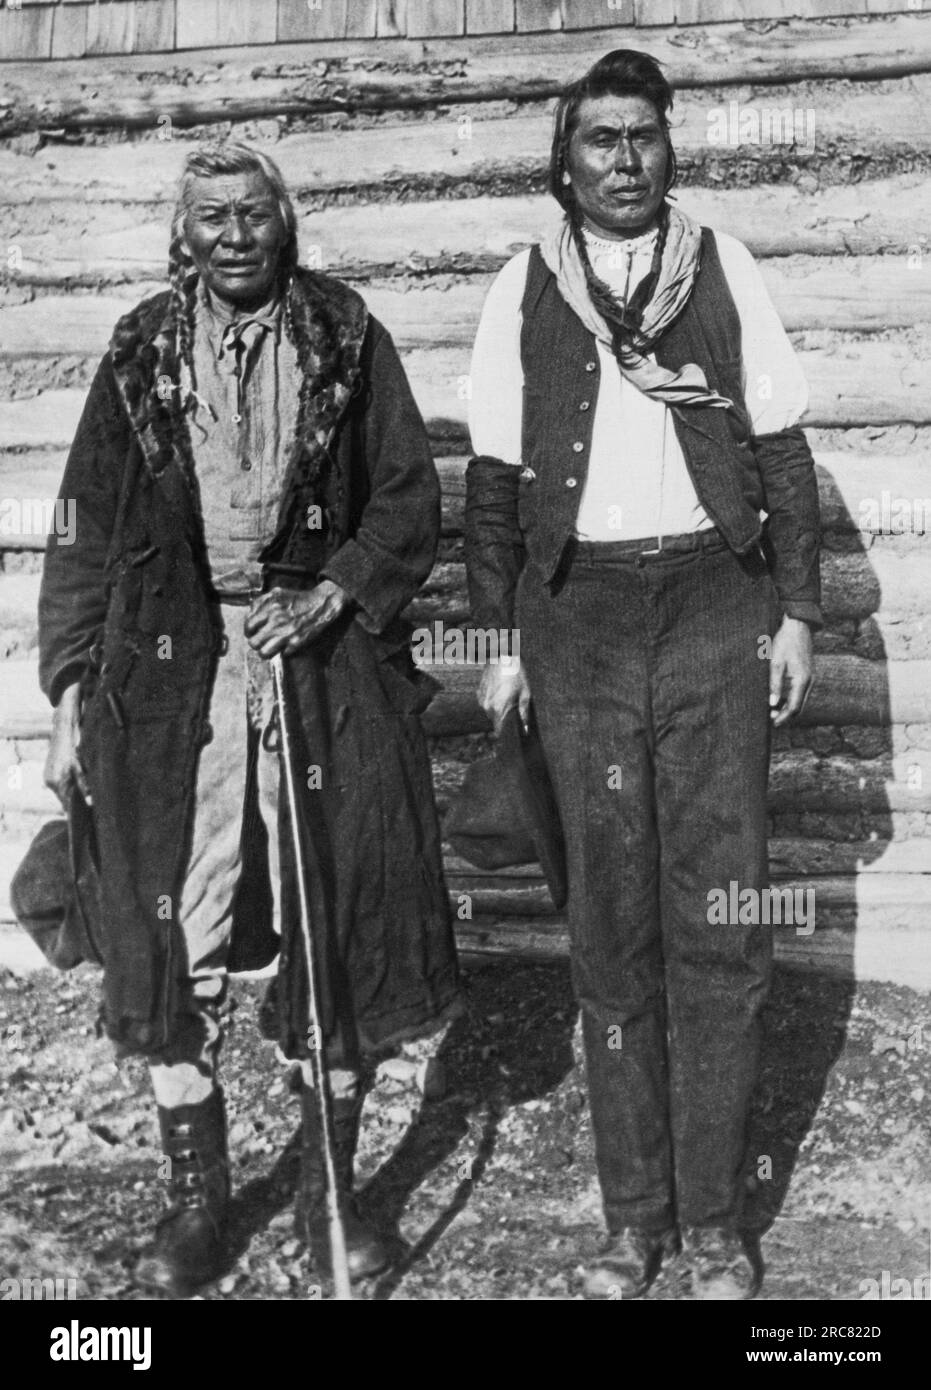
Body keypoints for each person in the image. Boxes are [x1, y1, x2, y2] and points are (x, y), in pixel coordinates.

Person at [38, 142, 460, 1296]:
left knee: (339, 897)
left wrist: (329, 593)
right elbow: (80, 524)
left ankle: (337, 1187)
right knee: (177, 909)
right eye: (211, 217)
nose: (233, 235)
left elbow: (409, 498)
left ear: (285, 226)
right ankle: (196, 1202)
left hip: (319, 662)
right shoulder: (141, 352)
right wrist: (72, 685)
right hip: (177, 668)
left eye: (253, 216)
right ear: (187, 233)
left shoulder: (344, 337)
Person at [465, 49, 819, 1300]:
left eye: (644, 137)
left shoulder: (722, 270)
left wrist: (792, 613)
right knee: (611, 921)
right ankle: (634, 1221)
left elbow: (779, 450)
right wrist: (502, 642)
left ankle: (716, 1226)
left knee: (720, 917)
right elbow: (495, 489)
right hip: (582, 619)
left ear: (673, 149)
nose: (623, 159)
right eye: (599, 139)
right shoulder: (524, 286)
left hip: (716, 605)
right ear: (564, 161)